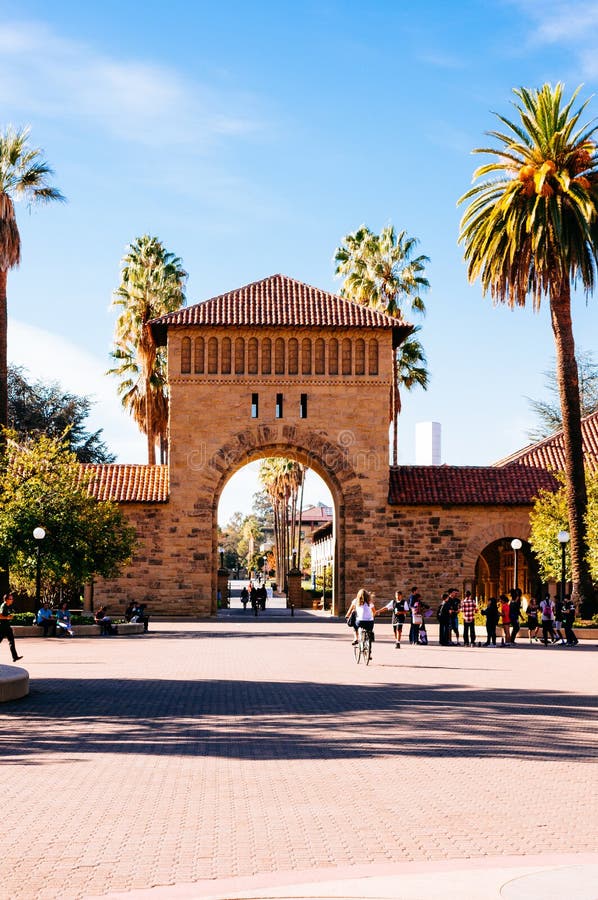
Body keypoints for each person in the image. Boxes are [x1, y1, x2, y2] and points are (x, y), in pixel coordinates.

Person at [345, 589, 376, 654]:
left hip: (360, 622)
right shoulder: (370, 602)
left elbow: (350, 611)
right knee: (369, 634)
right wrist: (372, 618)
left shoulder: (355, 601)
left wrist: (347, 616)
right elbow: (374, 612)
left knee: (355, 624)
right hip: (370, 622)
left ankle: (356, 638)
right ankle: (369, 653)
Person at [0, 593, 23, 662]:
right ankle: (15, 656)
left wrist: (9, 616)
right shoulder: (3, 606)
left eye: (12, 599)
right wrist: (8, 617)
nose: (12, 600)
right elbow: (0, 616)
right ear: (6, 600)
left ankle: (15, 657)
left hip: (7, 627)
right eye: (10, 599)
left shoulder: (8, 606)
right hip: (2, 627)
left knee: (11, 641)